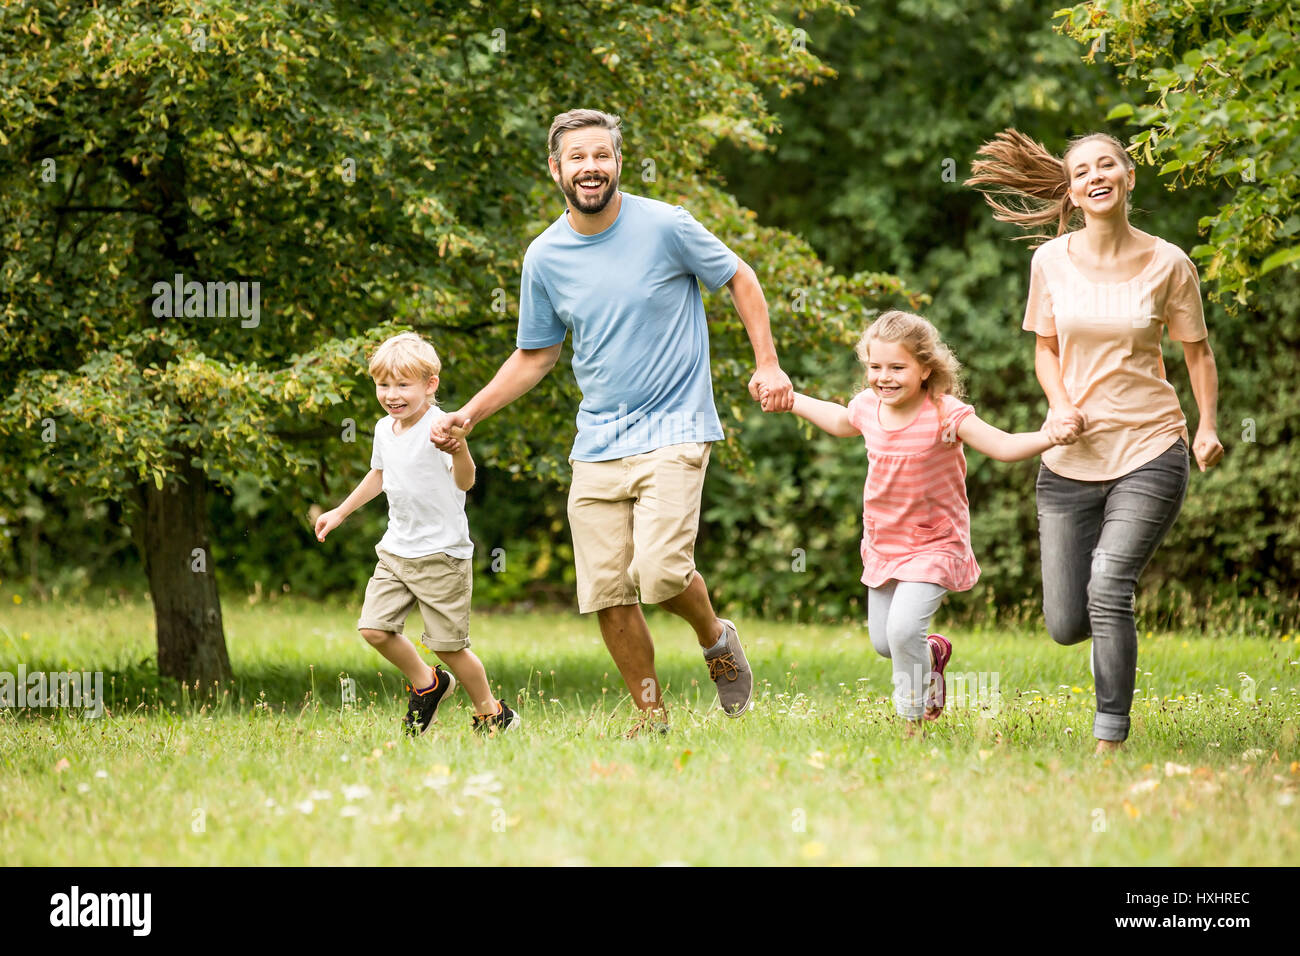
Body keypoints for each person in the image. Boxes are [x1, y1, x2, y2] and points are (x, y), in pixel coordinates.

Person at [431, 108, 795, 734]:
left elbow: (739, 277)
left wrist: (769, 363)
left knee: (659, 573)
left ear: (618, 162)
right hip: (597, 440)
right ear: (556, 169)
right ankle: (652, 718)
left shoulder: (666, 226)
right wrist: (468, 412)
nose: (590, 168)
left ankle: (714, 635)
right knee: (607, 590)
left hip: (676, 426)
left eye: (601, 155)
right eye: (577, 158)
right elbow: (537, 354)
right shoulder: (543, 256)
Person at [967, 129, 1223, 752]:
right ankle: (1103, 647)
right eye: (1082, 170)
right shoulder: (1049, 261)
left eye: (1107, 164)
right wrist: (1059, 404)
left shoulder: (1170, 263)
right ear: (1072, 190)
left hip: (1150, 446)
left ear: (1129, 178)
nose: (1095, 176)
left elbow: (1198, 353)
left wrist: (1208, 425)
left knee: (1110, 584)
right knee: (1064, 621)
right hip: (1070, 455)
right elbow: (1045, 349)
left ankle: (1110, 736)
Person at [763, 310, 1072, 735]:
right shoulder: (869, 408)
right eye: (875, 367)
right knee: (886, 642)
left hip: (935, 543)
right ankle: (933, 655)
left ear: (926, 369)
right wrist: (792, 399)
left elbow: (1002, 445)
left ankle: (911, 724)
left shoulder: (946, 413)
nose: (883, 377)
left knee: (904, 628)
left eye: (897, 367)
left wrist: (1051, 436)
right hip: (884, 542)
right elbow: (838, 421)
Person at [314, 332, 519, 737]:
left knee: (448, 646)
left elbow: (466, 482)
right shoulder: (383, 429)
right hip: (396, 549)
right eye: (383, 384)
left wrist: (459, 450)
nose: (392, 394)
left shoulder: (439, 427)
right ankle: (429, 683)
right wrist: (340, 511)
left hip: (442, 555)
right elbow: (380, 475)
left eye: (403, 385)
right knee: (374, 628)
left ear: (430, 385)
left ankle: (492, 713)